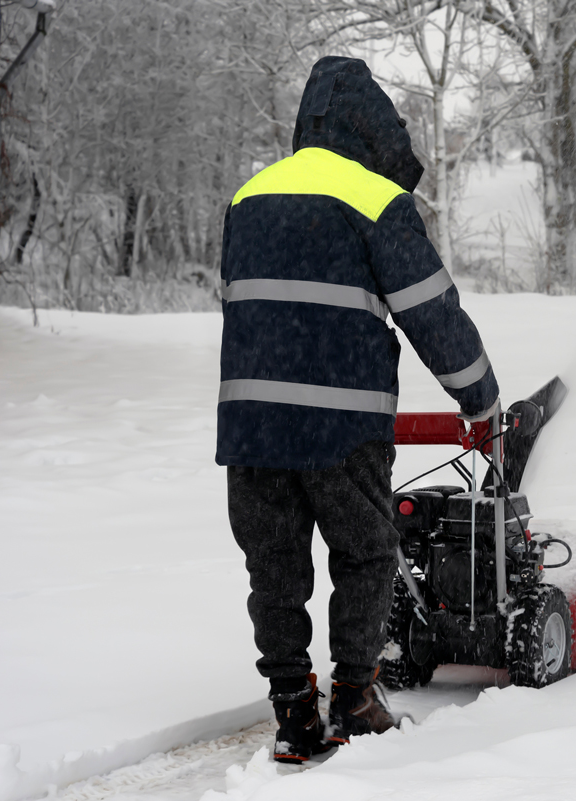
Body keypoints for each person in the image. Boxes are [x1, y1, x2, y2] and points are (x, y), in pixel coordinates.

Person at [216, 56, 499, 763]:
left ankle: (292, 713)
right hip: (342, 425)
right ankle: (354, 698)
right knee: (366, 553)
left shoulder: (250, 196)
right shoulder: (374, 199)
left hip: (252, 424)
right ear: (373, 128)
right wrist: (481, 399)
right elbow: (432, 313)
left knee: (273, 566)